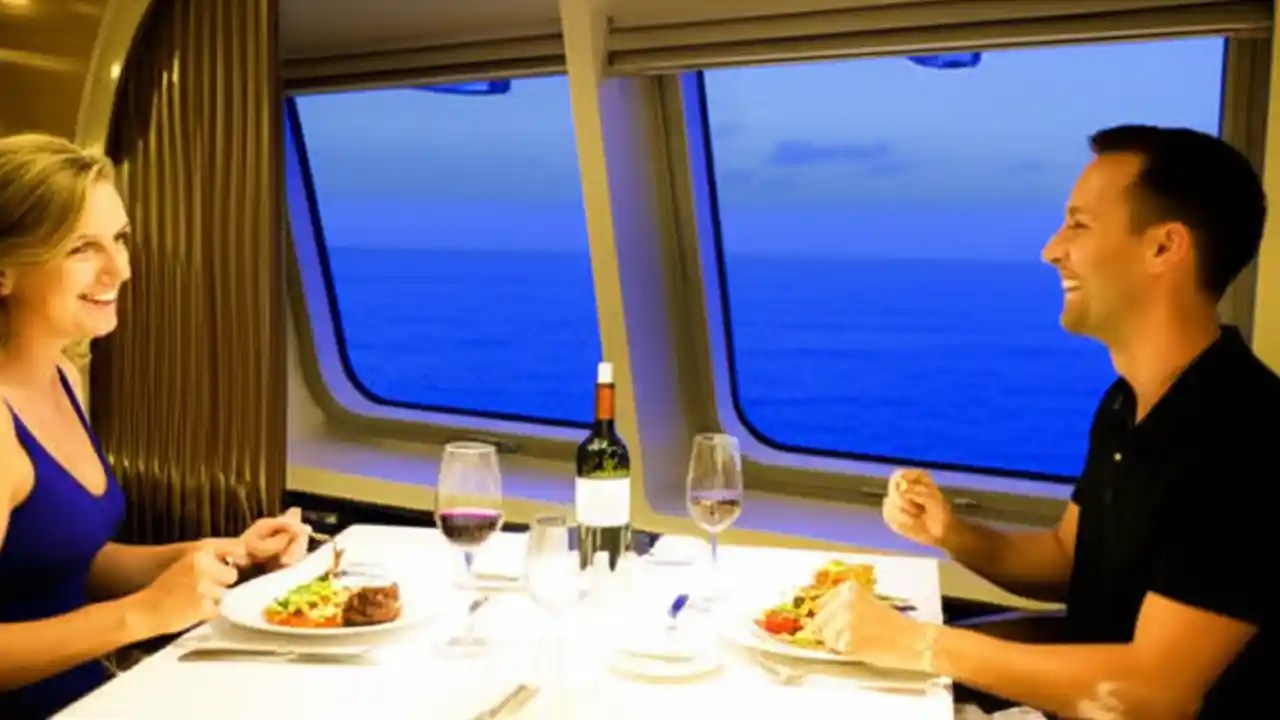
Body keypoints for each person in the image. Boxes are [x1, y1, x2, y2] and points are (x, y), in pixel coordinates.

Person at [811, 125, 1276, 720]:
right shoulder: (1125, 405)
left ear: (1164, 247)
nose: (1051, 249)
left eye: (1078, 225)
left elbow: (1156, 692)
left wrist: (923, 645)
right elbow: (1067, 559)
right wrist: (952, 534)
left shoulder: (1246, 435)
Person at [0, 133, 312, 719]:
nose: (119, 268)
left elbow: (65, 561)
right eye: (79, 248)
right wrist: (144, 613)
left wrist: (221, 557)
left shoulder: (65, 375)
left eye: (119, 238)